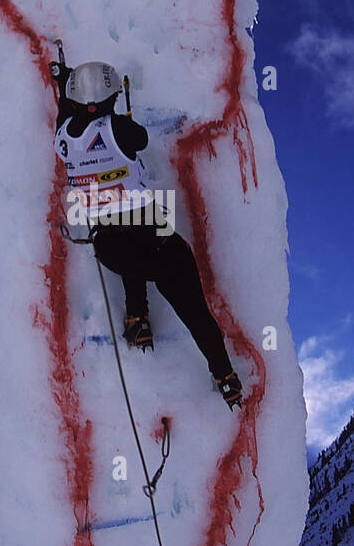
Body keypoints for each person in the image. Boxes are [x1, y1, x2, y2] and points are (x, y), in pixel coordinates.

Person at [53, 58, 243, 409]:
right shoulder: (121, 131)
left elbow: (67, 112)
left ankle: (137, 316)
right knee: (194, 310)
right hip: (152, 236)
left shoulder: (62, 138)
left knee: (129, 256)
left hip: (107, 245)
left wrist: (63, 80)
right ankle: (224, 374)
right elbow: (138, 139)